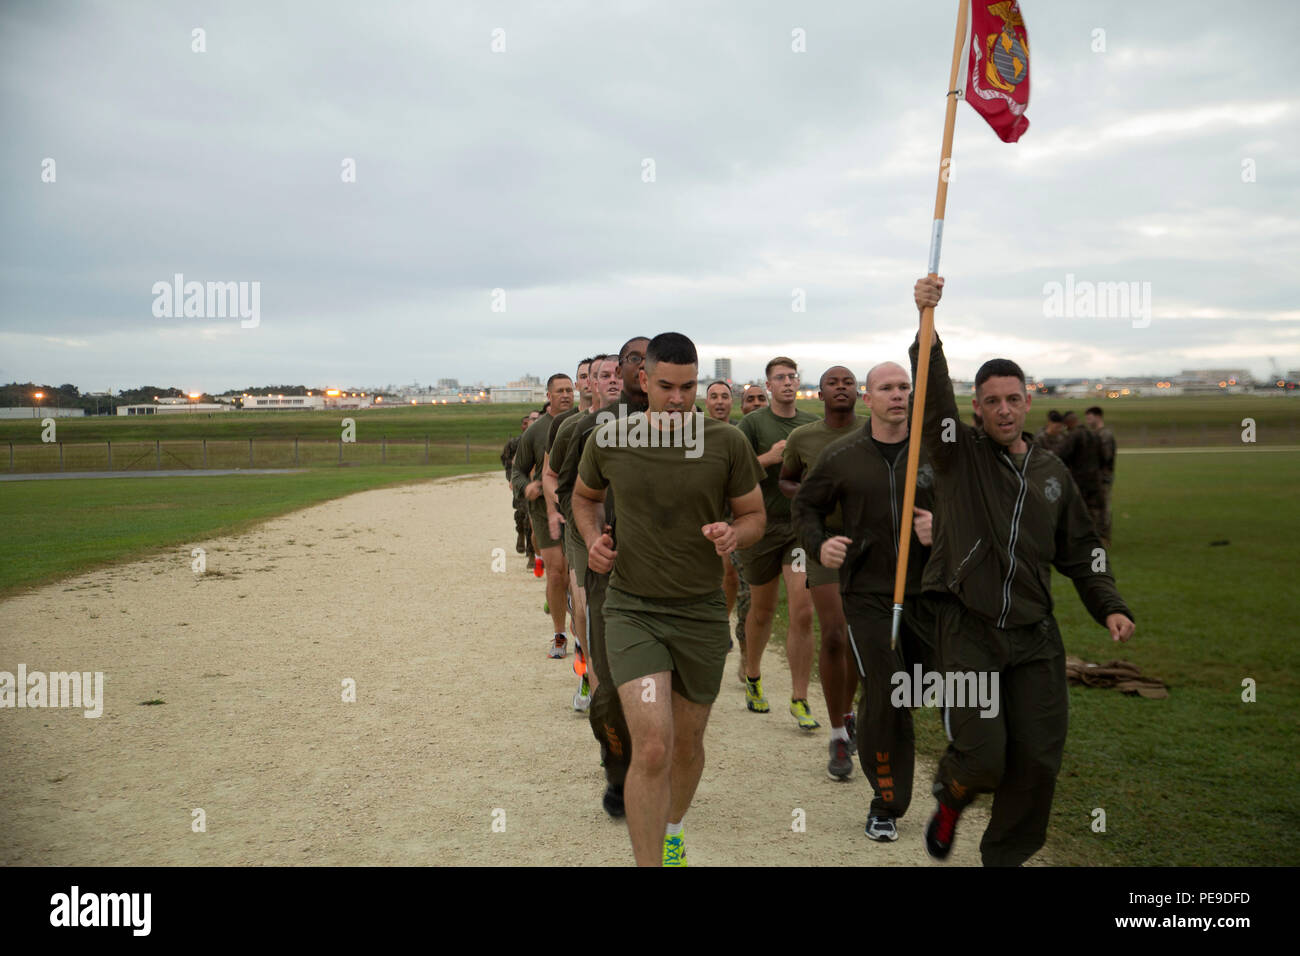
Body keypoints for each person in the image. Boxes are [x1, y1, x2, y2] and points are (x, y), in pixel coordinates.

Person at [911, 275, 1136, 867]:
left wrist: (1109, 603)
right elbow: (932, 403)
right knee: (985, 756)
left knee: (1036, 760)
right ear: (977, 408)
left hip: (1035, 636)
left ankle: (1005, 857)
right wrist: (927, 330)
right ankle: (953, 791)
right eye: (991, 401)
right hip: (967, 629)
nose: (1004, 409)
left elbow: (1084, 551)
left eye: (1013, 399)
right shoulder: (957, 455)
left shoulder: (1051, 475)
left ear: (1027, 401)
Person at [573, 332, 765, 866]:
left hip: (701, 610)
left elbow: (754, 516)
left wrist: (735, 534)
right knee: (653, 746)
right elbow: (584, 499)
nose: (678, 398)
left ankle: (673, 828)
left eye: (688, 386)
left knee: (686, 744)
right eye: (666, 386)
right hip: (634, 609)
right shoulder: (610, 439)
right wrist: (593, 541)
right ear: (644, 380)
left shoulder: (726, 442)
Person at [792, 359, 938, 839]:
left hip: (934, 594)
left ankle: (959, 784)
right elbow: (806, 505)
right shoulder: (843, 455)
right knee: (890, 689)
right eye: (886, 388)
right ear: (867, 399)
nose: (897, 395)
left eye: (904, 387)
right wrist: (820, 544)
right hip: (870, 595)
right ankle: (886, 803)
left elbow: (974, 510)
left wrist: (943, 529)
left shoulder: (934, 454)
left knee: (927, 689)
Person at [557, 337, 650, 816]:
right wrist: (591, 540)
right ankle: (618, 767)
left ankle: (653, 778)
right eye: (630, 359)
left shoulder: (689, 429)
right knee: (611, 689)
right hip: (609, 573)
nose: (637, 368)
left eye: (645, 358)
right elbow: (571, 491)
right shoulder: (597, 426)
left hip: (670, 577)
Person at [779, 366, 863, 779]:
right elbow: (786, 481)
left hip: (872, 545)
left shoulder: (874, 431)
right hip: (822, 542)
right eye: (834, 382)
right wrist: (815, 491)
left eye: (848, 382)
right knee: (833, 634)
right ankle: (837, 735)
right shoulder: (803, 438)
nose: (842, 387)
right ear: (822, 392)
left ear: (859, 392)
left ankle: (848, 712)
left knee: (864, 640)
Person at [736, 358, 820, 728]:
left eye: (792, 377)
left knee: (803, 610)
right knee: (762, 610)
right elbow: (735, 474)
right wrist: (768, 458)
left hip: (797, 530)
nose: (787, 383)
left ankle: (800, 698)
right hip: (760, 527)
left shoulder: (809, 426)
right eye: (780, 378)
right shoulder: (753, 424)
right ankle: (753, 675)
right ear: (767, 386)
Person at [546, 355, 616, 711]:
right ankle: (589, 675)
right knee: (587, 609)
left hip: (625, 529)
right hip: (580, 529)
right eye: (603, 375)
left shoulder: (648, 424)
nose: (612, 381)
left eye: (618, 374)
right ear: (590, 384)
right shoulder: (574, 427)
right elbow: (552, 474)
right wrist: (556, 511)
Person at [512, 374, 575, 657]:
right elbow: (518, 470)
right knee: (557, 573)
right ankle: (559, 635)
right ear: (548, 395)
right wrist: (528, 487)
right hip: (542, 511)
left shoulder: (582, 423)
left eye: (569, 390)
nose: (566, 395)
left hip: (576, 509)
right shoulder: (536, 431)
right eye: (559, 391)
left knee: (577, 576)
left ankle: (582, 632)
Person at [703, 381, 746, 674]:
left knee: (730, 574)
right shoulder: (694, 432)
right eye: (714, 396)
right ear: (705, 402)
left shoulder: (741, 433)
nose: (719, 402)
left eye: (725, 397)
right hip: (701, 513)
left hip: (733, 515)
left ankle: (721, 623)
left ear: (733, 402)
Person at [1061, 411, 1106, 546]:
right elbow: (1103, 457)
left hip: (1079, 479)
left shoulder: (1074, 435)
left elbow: (1063, 455)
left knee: (1078, 511)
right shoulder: (1093, 434)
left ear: (1069, 423)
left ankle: (1080, 540)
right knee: (1094, 511)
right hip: (1095, 479)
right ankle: (1096, 538)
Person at [502, 414, 533, 558]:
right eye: (526, 423)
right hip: (519, 483)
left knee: (531, 516)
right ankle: (520, 532)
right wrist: (512, 479)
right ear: (522, 426)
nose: (528, 425)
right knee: (521, 514)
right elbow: (508, 464)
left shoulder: (539, 440)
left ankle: (531, 551)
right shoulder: (514, 444)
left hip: (535, 483)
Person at [1085, 406, 1116, 547]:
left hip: (1102, 478)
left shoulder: (1105, 435)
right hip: (1093, 478)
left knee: (1103, 507)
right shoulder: (1094, 434)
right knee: (1093, 508)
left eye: (1089, 417)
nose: (1087, 420)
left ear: (1098, 417)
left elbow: (1106, 457)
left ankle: (1104, 538)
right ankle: (1094, 536)